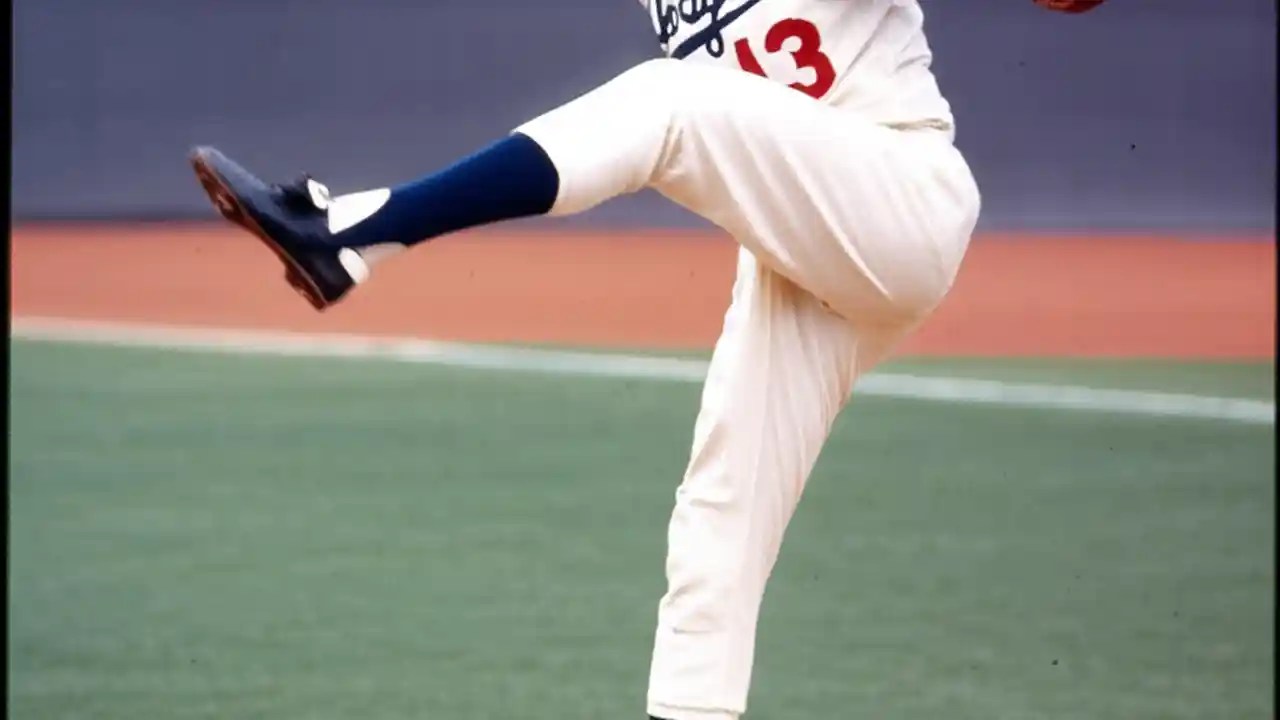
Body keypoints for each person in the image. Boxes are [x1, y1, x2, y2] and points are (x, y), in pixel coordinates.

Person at [188, 1, 1101, 717]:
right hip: (802, 244)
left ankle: (350, 232)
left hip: (901, 201)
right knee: (718, 525)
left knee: (668, 102)